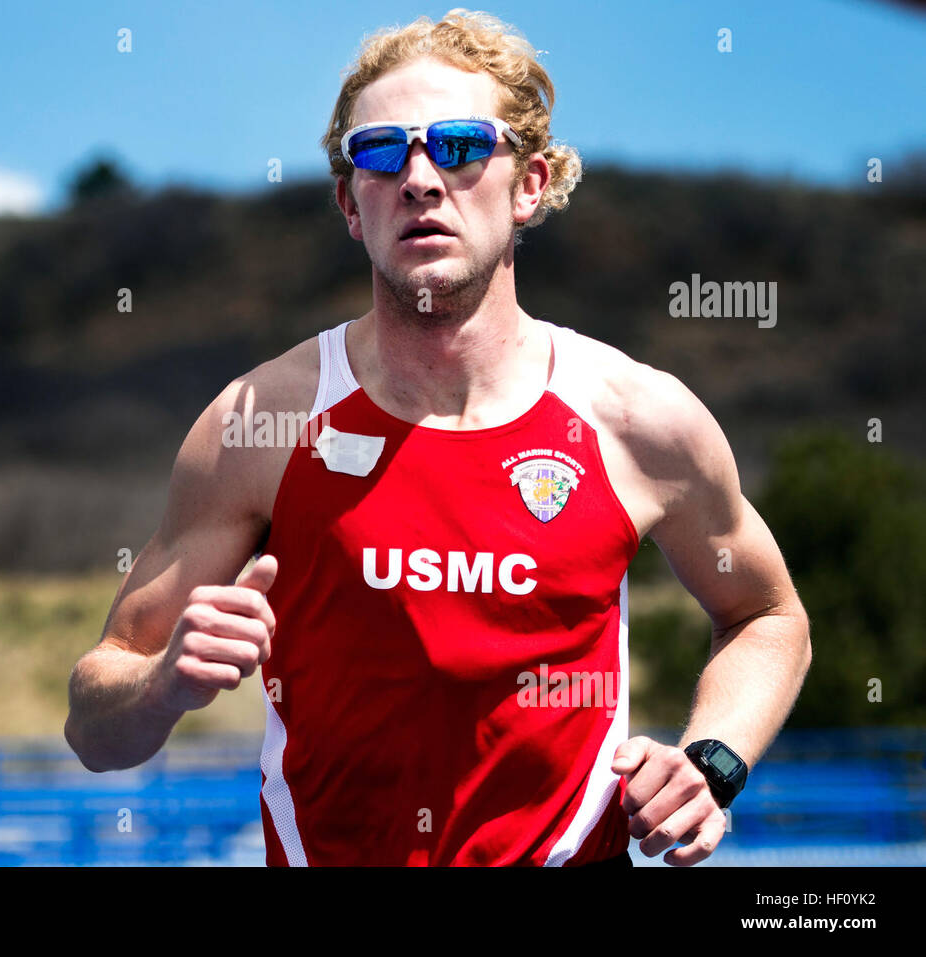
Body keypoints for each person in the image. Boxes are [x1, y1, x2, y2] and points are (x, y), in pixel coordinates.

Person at [64, 9, 811, 866]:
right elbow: (95, 725)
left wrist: (711, 761)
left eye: (458, 145)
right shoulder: (258, 423)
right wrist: (161, 686)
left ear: (530, 183)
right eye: (381, 152)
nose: (420, 177)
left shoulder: (638, 419)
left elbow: (766, 614)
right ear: (351, 202)